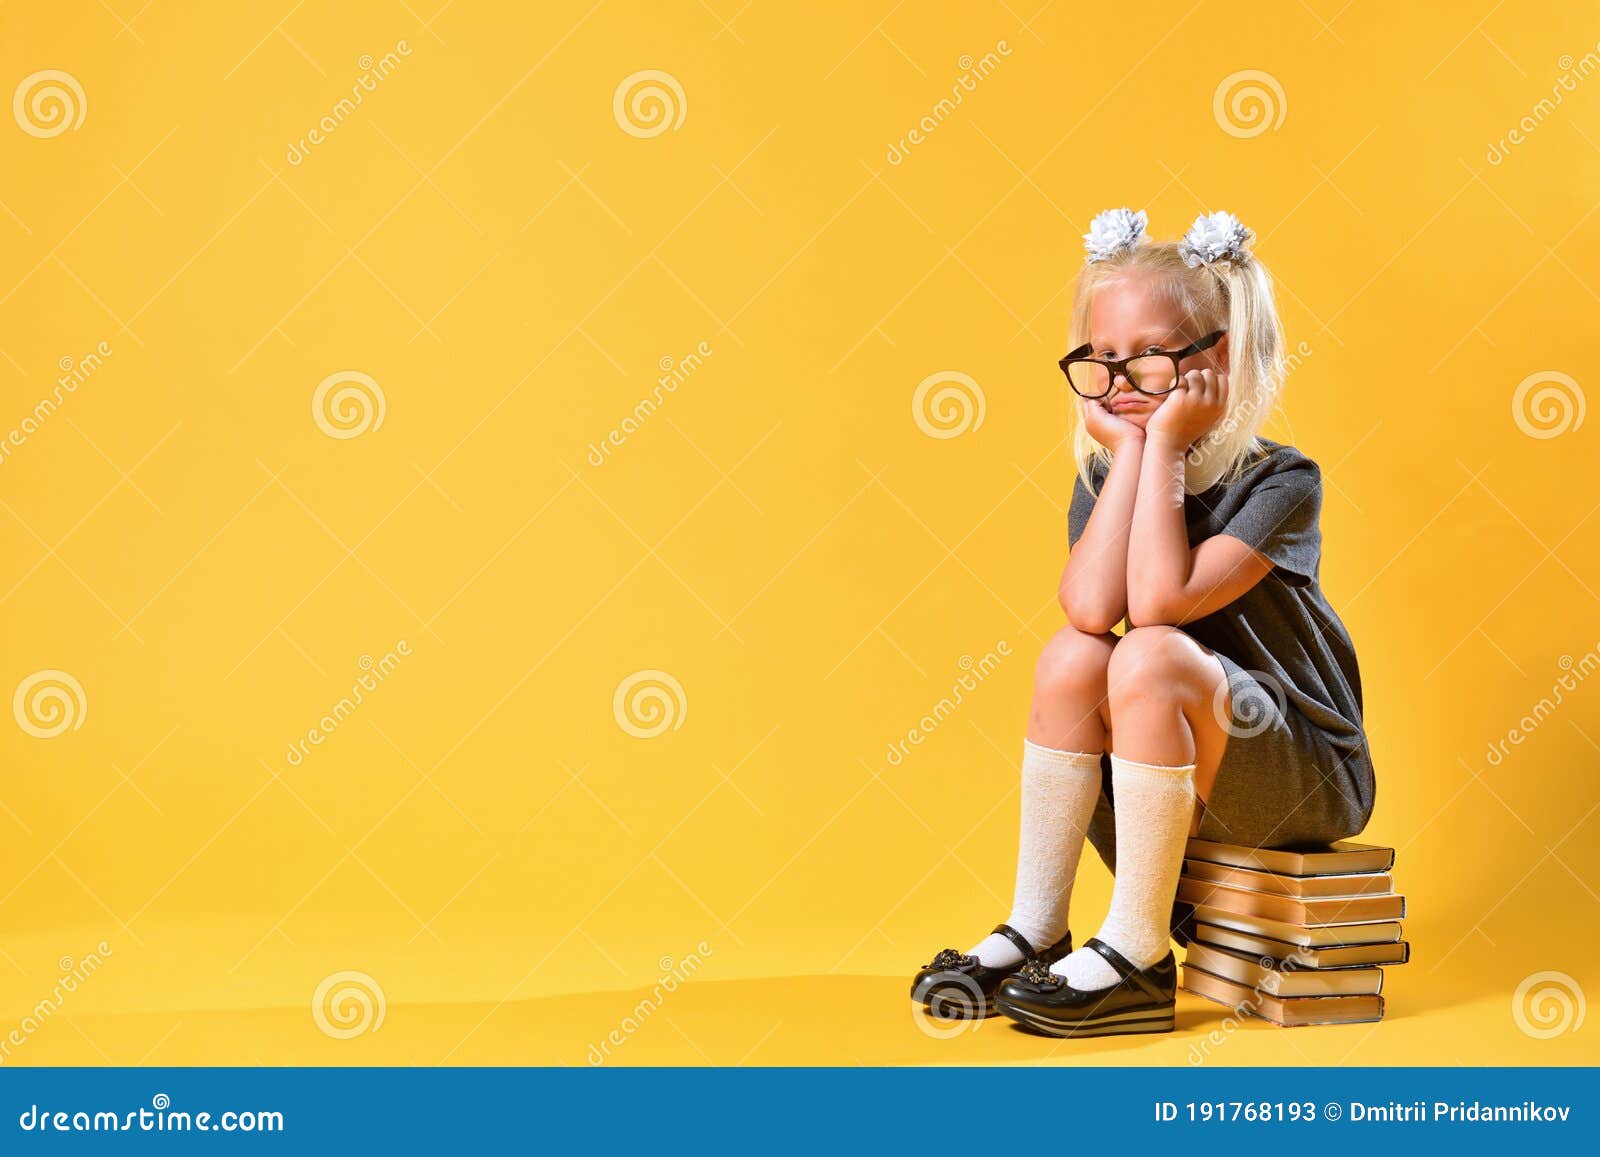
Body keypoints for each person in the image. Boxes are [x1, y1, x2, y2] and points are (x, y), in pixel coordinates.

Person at [911, 208, 1376, 1038]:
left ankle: (1138, 950)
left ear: (1216, 361)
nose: (1119, 381)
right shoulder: (1106, 473)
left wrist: (1159, 449)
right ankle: (1038, 924)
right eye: (1102, 358)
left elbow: (1160, 604)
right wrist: (1131, 455)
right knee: (1073, 654)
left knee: (1151, 653)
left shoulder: (1280, 480)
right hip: (1176, 771)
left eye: (1150, 357)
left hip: (1302, 771)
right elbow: (1091, 610)